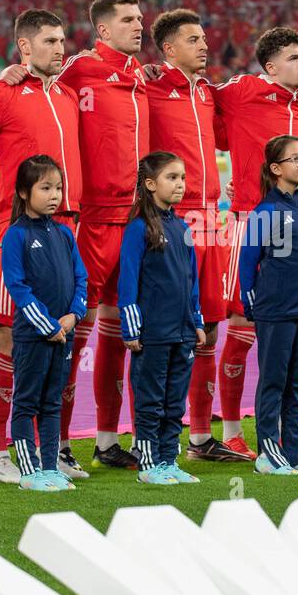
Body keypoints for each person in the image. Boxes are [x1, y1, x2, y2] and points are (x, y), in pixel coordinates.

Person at [0, 9, 86, 479]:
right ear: (23, 48)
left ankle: (51, 448)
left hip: (66, 231)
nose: (59, 49)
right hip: (16, 232)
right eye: (48, 42)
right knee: (8, 335)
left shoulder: (67, 94)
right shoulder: (2, 92)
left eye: (62, 41)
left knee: (64, 338)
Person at [144, 9, 248, 462]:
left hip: (211, 220)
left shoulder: (208, 91)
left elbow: (236, 134)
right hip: (171, 219)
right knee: (164, 334)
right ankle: (149, 439)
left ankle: (202, 439)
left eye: (204, 37)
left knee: (207, 328)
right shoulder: (146, 85)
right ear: (169, 49)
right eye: (193, 40)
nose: (205, 46)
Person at [213, 26, 298, 460]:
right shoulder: (242, 90)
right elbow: (194, 101)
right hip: (254, 220)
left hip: (296, 221)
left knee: (295, 333)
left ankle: (287, 438)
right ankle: (232, 429)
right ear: (271, 66)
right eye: (295, 57)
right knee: (242, 327)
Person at [58, 0, 150, 471]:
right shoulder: (79, 68)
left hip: (138, 220)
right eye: (128, 20)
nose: (139, 26)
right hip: (93, 218)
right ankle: (56, 441)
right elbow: (36, 81)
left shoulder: (142, 76)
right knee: (75, 331)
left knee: (122, 335)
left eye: (141, 19)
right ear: (103, 31)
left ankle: (108, 440)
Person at [117, 152, 206, 485]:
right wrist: (131, 327)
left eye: (182, 177)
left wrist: (196, 321)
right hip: (152, 332)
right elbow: (127, 281)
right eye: (172, 178)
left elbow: (190, 279)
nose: (180, 184)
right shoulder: (139, 228)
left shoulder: (182, 226)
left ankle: (169, 460)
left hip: (182, 331)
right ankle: (148, 464)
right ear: (150, 184)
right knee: (151, 401)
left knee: (174, 402)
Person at [238, 135, 298, 476]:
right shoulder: (265, 211)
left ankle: (294, 450)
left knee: (296, 381)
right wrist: (252, 304)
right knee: (273, 380)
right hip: (275, 310)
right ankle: (267, 452)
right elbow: (247, 264)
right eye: (296, 159)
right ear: (276, 169)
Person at [1, 155, 88, 491]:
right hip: (35, 336)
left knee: (53, 401)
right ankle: (29, 471)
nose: (55, 195)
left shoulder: (65, 234)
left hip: (63, 333)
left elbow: (81, 278)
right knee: (26, 402)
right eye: (46, 188)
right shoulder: (16, 236)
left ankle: (50, 466)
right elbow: (18, 288)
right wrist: (49, 325)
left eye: (59, 188)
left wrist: (72, 317)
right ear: (24, 192)